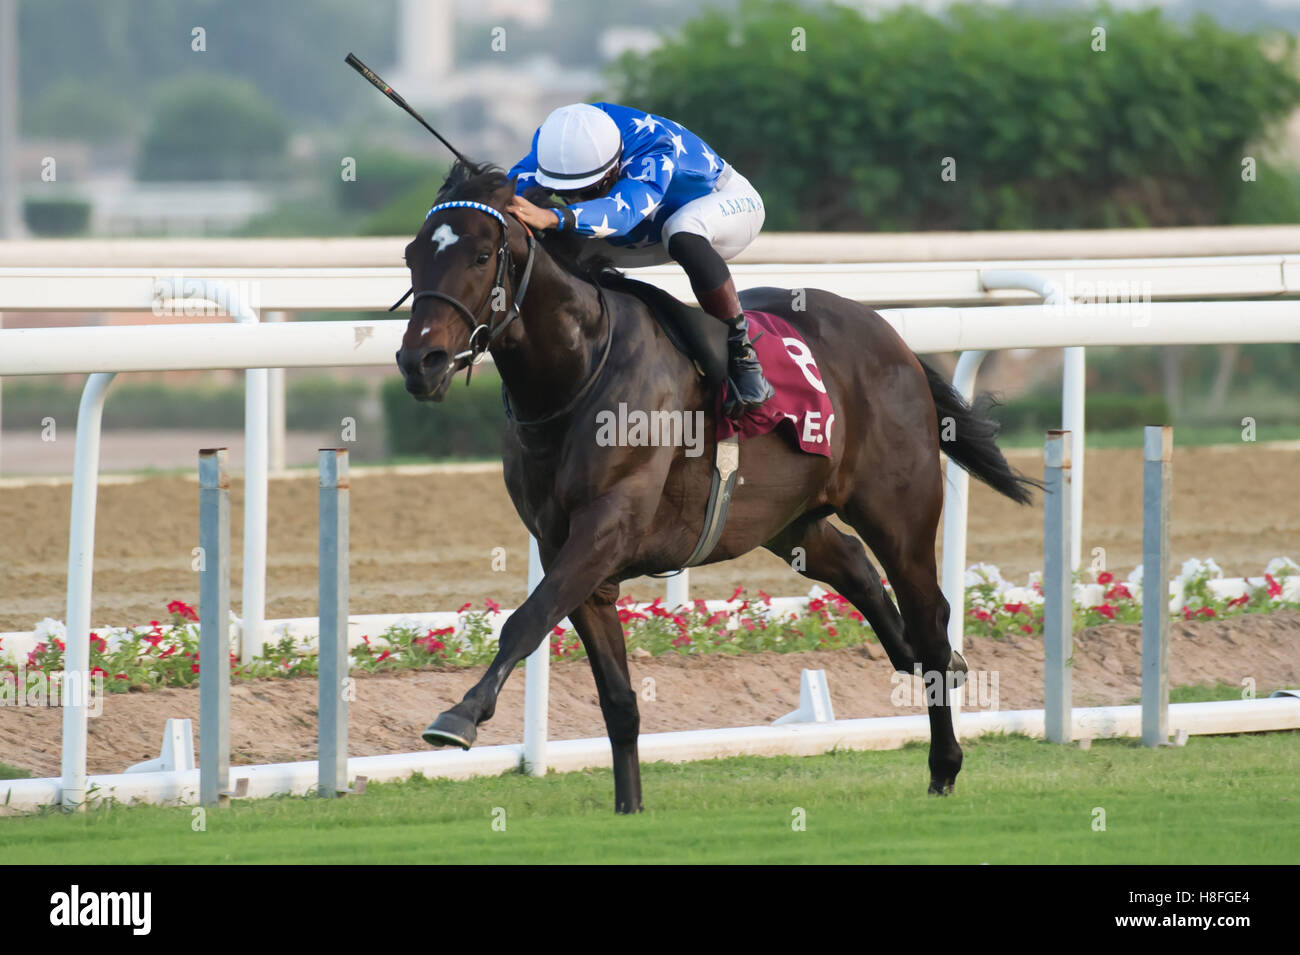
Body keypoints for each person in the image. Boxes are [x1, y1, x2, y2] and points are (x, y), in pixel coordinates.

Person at [505, 102, 774, 419]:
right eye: (565, 192)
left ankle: (742, 355)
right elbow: (505, 197)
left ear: (615, 167)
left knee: (682, 231)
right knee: (549, 244)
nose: (577, 200)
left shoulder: (652, 144)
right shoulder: (553, 146)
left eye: (590, 190)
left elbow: (623, 213)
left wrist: (554, 214)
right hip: (644, 233)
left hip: (723, 205)